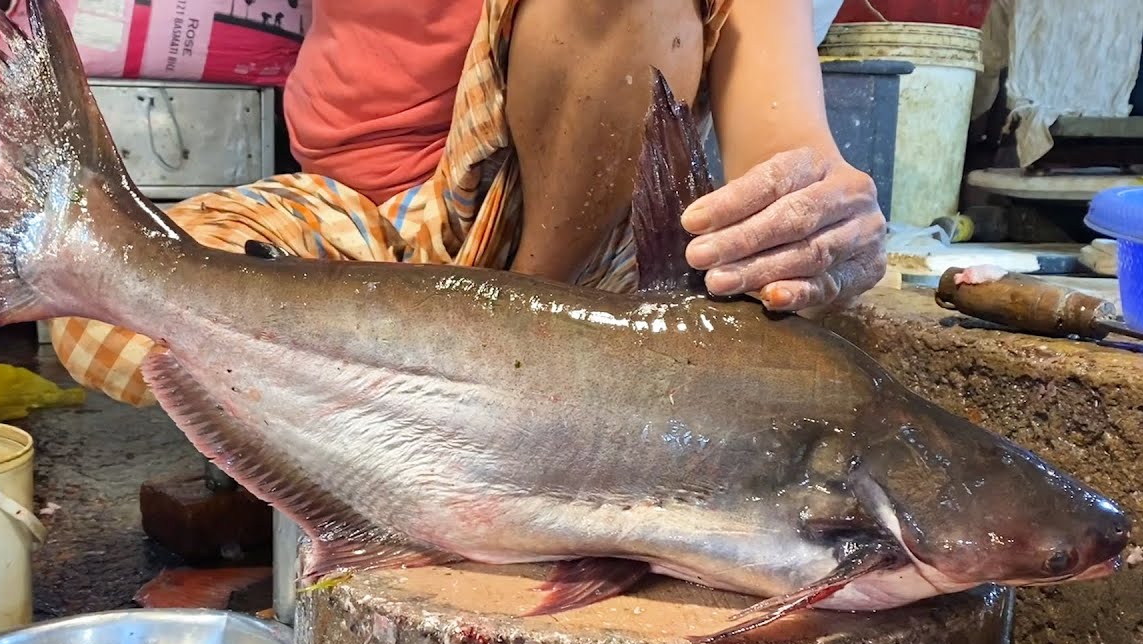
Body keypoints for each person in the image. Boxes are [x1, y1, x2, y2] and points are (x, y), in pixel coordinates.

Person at [48, 0, 888, 407]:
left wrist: (817, 217)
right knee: (101, 290)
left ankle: (507, 373)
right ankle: (407, 432)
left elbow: (787, 155)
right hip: (350, 218)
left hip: (546, 261)